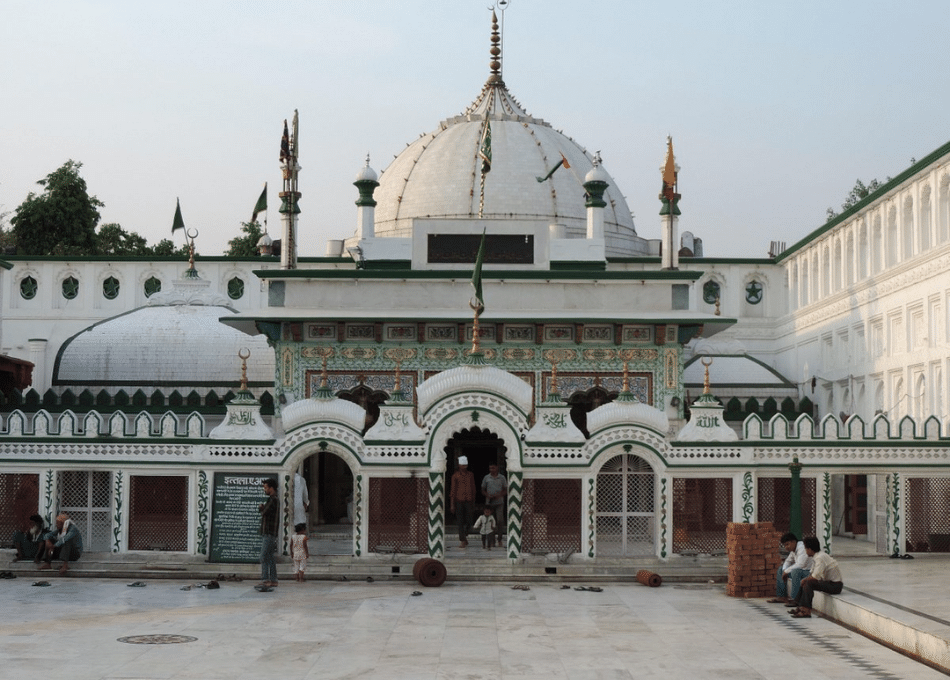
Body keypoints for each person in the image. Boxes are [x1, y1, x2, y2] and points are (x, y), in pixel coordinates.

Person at [789, 536, 843, 618]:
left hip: (835, 586)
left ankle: (806, 610)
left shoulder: (820, 558)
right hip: (828, 583)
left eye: (806, 549)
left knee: (808, 583)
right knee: (806, 581)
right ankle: (800, 606)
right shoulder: (816, 557)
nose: (805, 551)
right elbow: (812, 574)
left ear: (810, 549)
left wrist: (805, 580)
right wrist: (805, 580)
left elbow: (815, 577)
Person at [767, 532, 812, 605]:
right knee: (780, 569)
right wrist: (784, 570)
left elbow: (800, 565)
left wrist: (787, 571)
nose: (786, 547)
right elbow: (787, 561)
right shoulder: (793, 551)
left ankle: (795, 599)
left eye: (787, 544)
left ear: (793, 542)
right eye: (784, 545)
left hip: (809, 572)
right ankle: (781, 596)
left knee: (795, 572)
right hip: (801, 571)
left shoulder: (802, 548)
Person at [449, 456, 476, 548]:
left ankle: (465, 535)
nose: (464, 467)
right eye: (462, 465)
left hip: (469, 500)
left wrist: (474, 501)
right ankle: (462, 540)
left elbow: (473, 488)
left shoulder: (470, 475)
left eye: (465, 465)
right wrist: (452, 505)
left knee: (469, 520)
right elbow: (453, 490)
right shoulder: (455, 476)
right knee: (460, 521)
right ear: (459, 465)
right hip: (459, 500)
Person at [258, 478, 280, 587]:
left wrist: (261, 508)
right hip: (271, 532)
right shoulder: (274, 500)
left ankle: (266, 579)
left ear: (271, 488)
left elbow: (264, 512)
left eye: (266, 488)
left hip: (269, 532)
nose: (264, 490)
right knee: (270, 556)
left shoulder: (272, 500)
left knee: (263, 556)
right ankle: (274, 579)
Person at [481, 464, 507, 545]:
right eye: (490, 468)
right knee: (490, 521)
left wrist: (499, 495)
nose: (491, 469)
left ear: (497, 467)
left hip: (499, 502)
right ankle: (491, 540)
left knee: (499, 521)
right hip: (489, 503)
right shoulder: (486, 477)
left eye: (493, 467)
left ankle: (499, 539)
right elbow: (483, 489)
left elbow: (505, 489)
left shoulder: (502, 477)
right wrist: (487, 495)